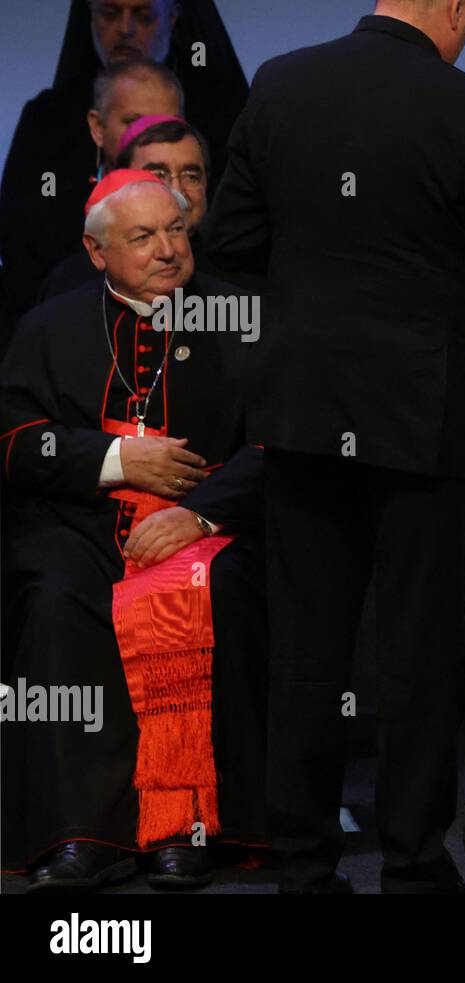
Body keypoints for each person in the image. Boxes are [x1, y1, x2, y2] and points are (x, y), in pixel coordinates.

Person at [205, 0, 465, 894]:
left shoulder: (280, 85)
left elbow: (232, 244)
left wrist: (295, 332)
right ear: (450, 8)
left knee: (305, 651)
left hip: (301, 416)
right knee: (416, 653)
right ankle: (411, 865)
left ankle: (300, 865)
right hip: (419, 421)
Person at [0, 171, 267, 892]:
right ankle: (79, 833)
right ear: (96, 252)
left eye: (176, 230)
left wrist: (200, 511)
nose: (167, 250)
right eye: (143, 237)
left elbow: (281, 438)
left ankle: (186, 830)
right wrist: (120, 458)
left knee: (211, 590)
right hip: (83, 521)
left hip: (212, 521)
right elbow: (16, 439)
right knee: (56, 597)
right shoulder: (50, 325)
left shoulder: (239, 315)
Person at [0, 0, 247, 323]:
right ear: (97, 127)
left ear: (171, 17)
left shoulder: (223, 116)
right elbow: (19, 243)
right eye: (110, 14)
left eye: (144, 16)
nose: (125, 30)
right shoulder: (47, 119)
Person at [42, 114, 210, 299]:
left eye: (191, 176)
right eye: (158, 175)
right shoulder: (69, 282)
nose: (176, 190)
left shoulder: (236, 272)